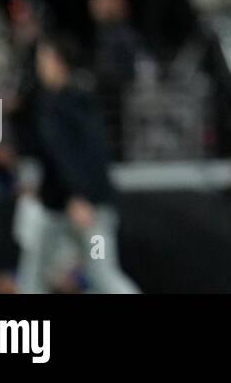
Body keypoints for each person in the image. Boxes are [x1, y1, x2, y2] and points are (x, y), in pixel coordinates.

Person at [16, 35, 139, 294]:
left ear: (59, 62)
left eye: (45, 58)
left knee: (102, 274)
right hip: (59, 208)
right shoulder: (77, 100)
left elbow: (70, 154)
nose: (40, 65)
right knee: (34, 275)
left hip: (82, 206)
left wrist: (78, 195)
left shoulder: (60, 105)